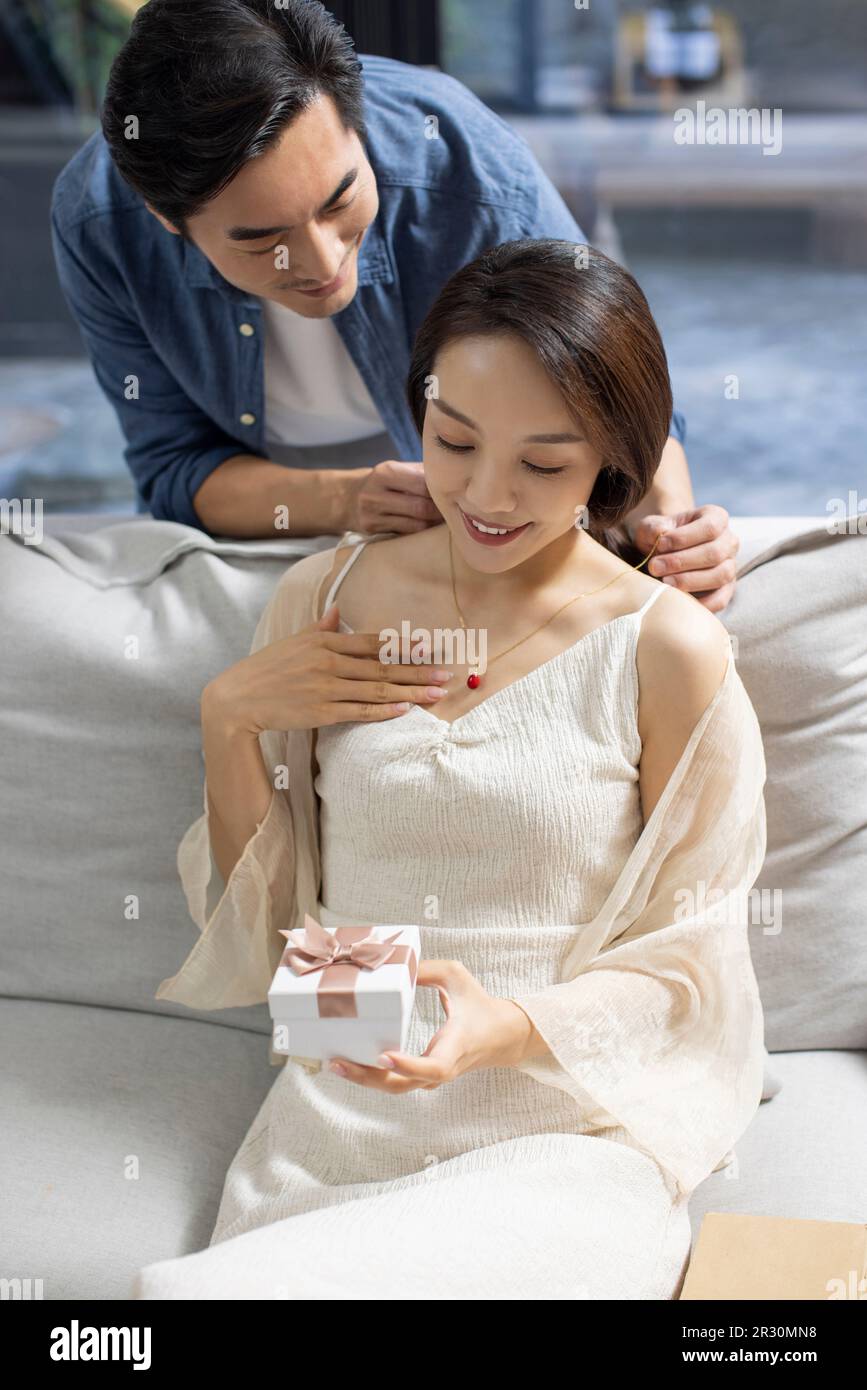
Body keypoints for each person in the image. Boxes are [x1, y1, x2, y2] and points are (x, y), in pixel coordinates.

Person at [134, 239, 768, 1300]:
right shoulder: (326, 597)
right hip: (343, 1105)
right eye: (454, 439)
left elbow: (697, 962)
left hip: (565, 1122)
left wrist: (507, 1028)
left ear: (615, 457)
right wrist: (228, 718)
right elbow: (276, 927)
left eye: (544, 462)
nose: (485, 493)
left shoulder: (665, 646)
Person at [51, 0, 739, 611]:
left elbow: (610, 380)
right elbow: (174, 468)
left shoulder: (465, 163)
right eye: (263, 241)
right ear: (166, 218)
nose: (321, 265)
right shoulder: (99, 223)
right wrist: (346, 500)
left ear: (357, 128)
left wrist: (673, 526)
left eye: (340, 201)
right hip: (271, 510)